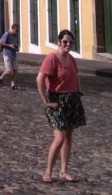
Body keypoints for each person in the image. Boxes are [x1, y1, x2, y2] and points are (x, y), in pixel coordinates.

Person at [36, 29, 86, 183]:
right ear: (59, 42)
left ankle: (63, 171)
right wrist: (46, 101)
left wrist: (78, 92)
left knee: (69, 136)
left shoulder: (71, 58)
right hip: (57, 101)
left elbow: (75, 76)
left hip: (72, 100)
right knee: (60, 137)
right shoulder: (52, 58)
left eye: (70, 42)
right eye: (65, 41)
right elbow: (39, 79)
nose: (68, 44)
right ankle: (48, 172)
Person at [0, 23, 20, 89]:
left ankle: (13, 84)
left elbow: (14, 44)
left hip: (13, 54)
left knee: (15, 69)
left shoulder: (15, 35)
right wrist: (9, 45)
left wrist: (16, 48)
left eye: (18, 31)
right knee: (8, 71)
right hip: (7, 54)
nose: (17, 32)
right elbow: (0, 42)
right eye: (16, 30)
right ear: (12, 29)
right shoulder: (7, 34)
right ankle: (0, 78)